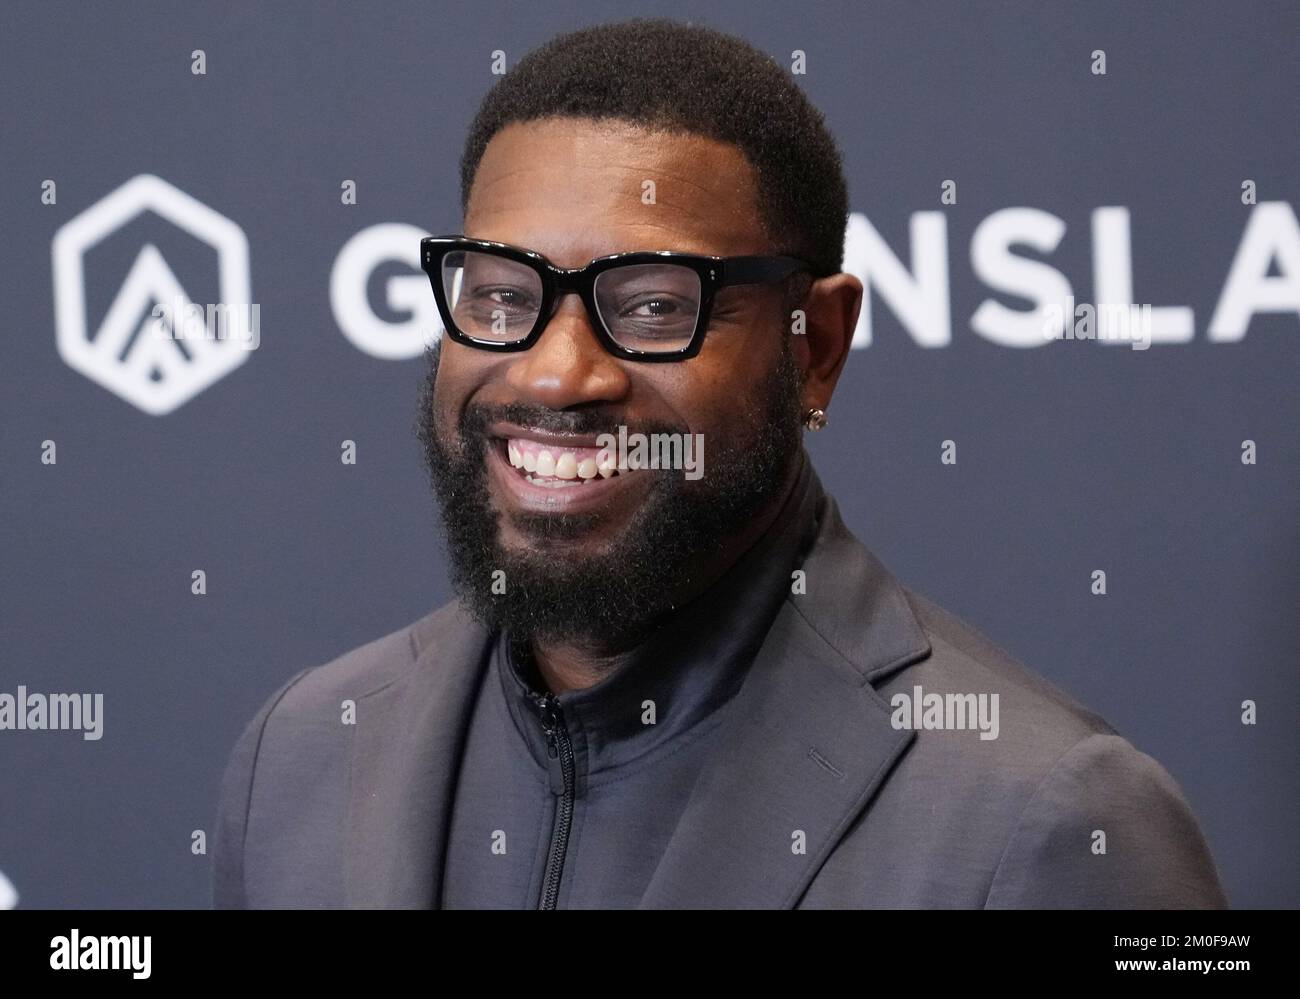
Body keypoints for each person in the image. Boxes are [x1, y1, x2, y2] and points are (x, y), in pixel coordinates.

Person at [213, 18, 1226, 909]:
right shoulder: (302, 756)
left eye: (654, 303)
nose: (557, 374)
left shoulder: (1042, 819)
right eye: (502, 295)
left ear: (814, 344)